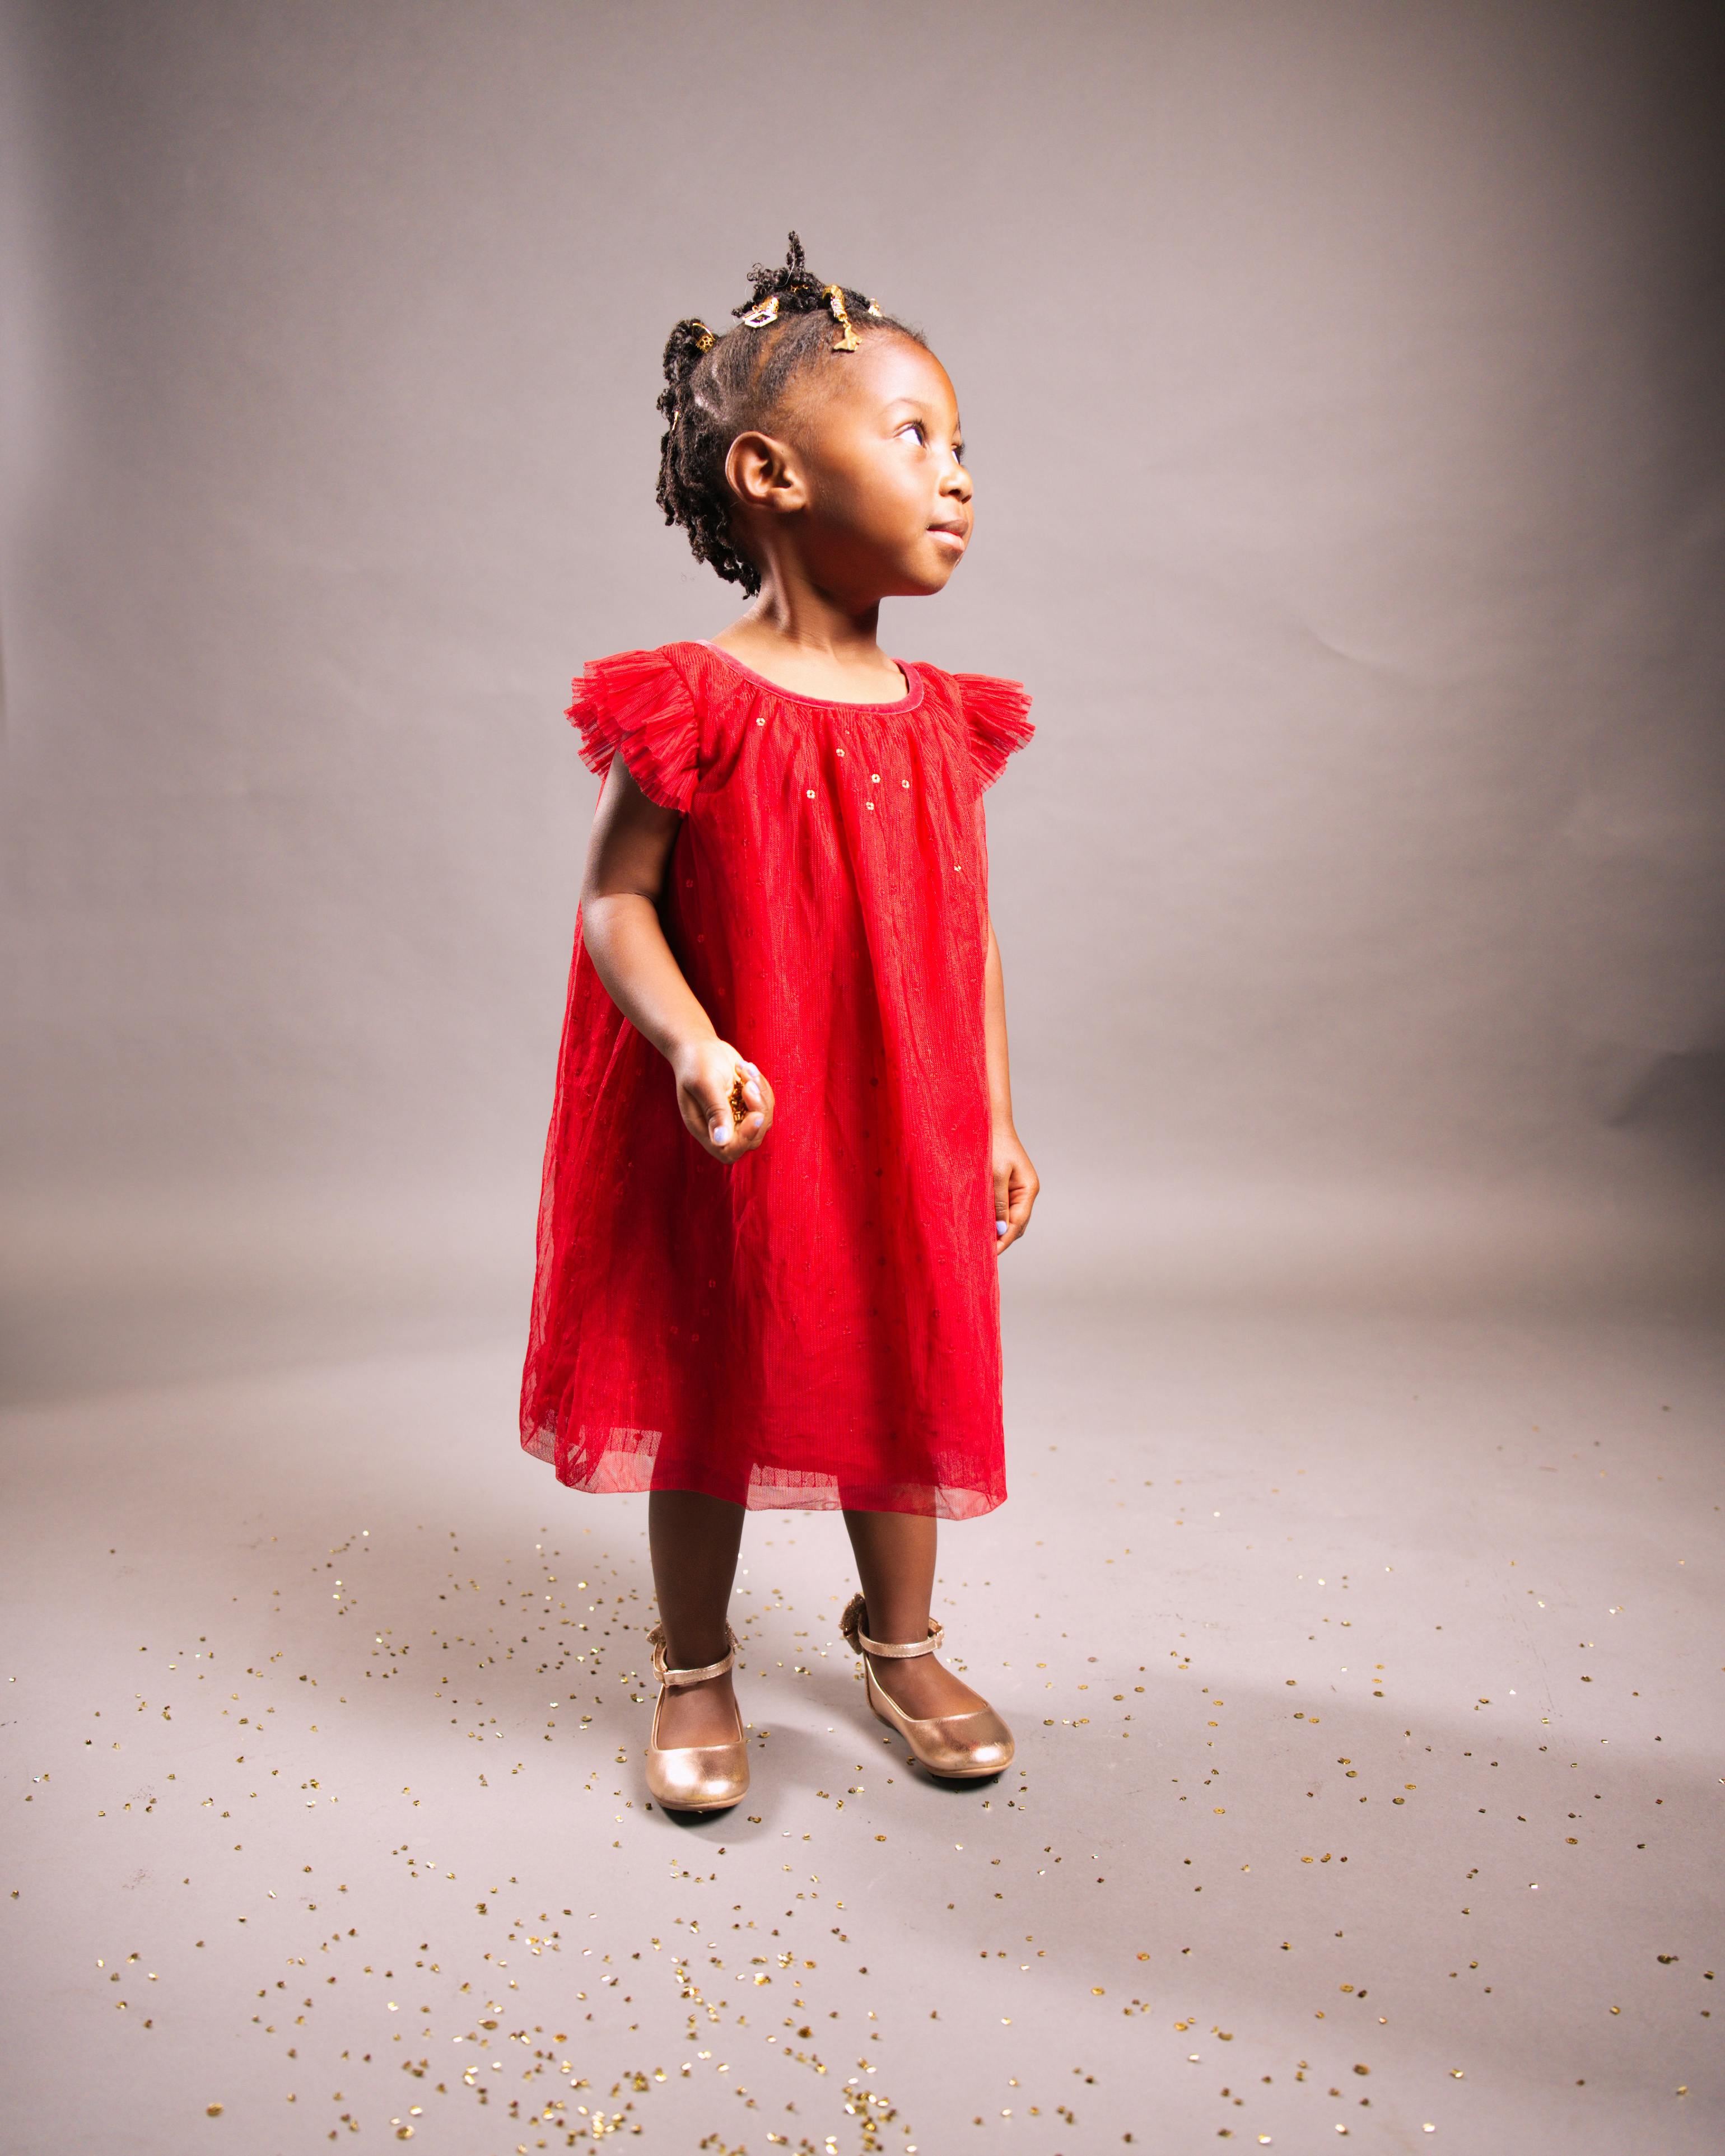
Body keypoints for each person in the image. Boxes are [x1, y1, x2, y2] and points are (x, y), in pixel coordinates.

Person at [520, 235, 1038, 1813]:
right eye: (913, 436)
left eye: (963, 447)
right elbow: (617, 904)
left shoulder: (943, 720)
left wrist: (998, 1115)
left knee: (903, 1352)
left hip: (905, 1115)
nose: (957, 477)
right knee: (710, 1369)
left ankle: (900, 1636)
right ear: (771, 470)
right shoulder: (696, 699)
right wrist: (689, 1043)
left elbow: (971, 935)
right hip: (740, 1112)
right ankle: (693, 1658)